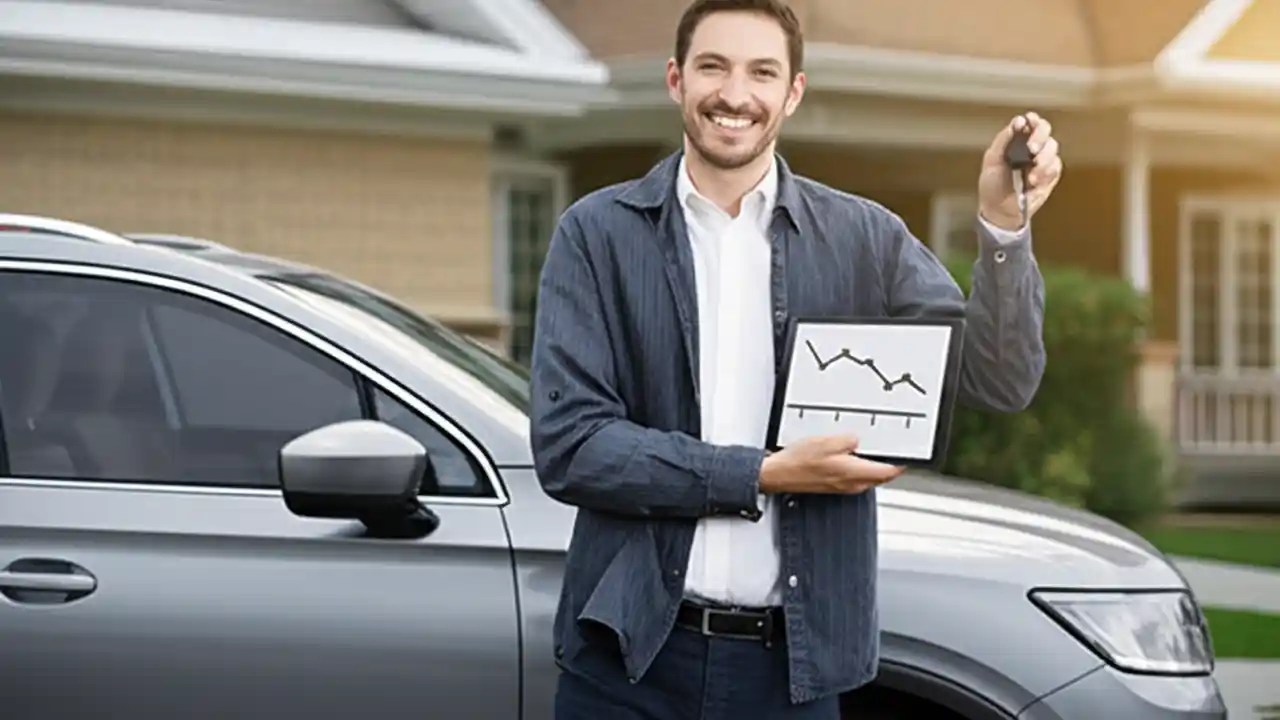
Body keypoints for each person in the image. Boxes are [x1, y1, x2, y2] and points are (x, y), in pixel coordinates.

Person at [528, 0, 1059, 717]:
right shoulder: (597, 234)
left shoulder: (865, 240)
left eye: (762, 72)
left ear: (793, 92)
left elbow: (999, 380)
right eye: (713, 67)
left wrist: (1003, 222)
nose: (735, 94)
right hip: (626, 662)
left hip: (792, 677)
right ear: (676, 80)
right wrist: (763, 474)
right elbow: (573, 446)